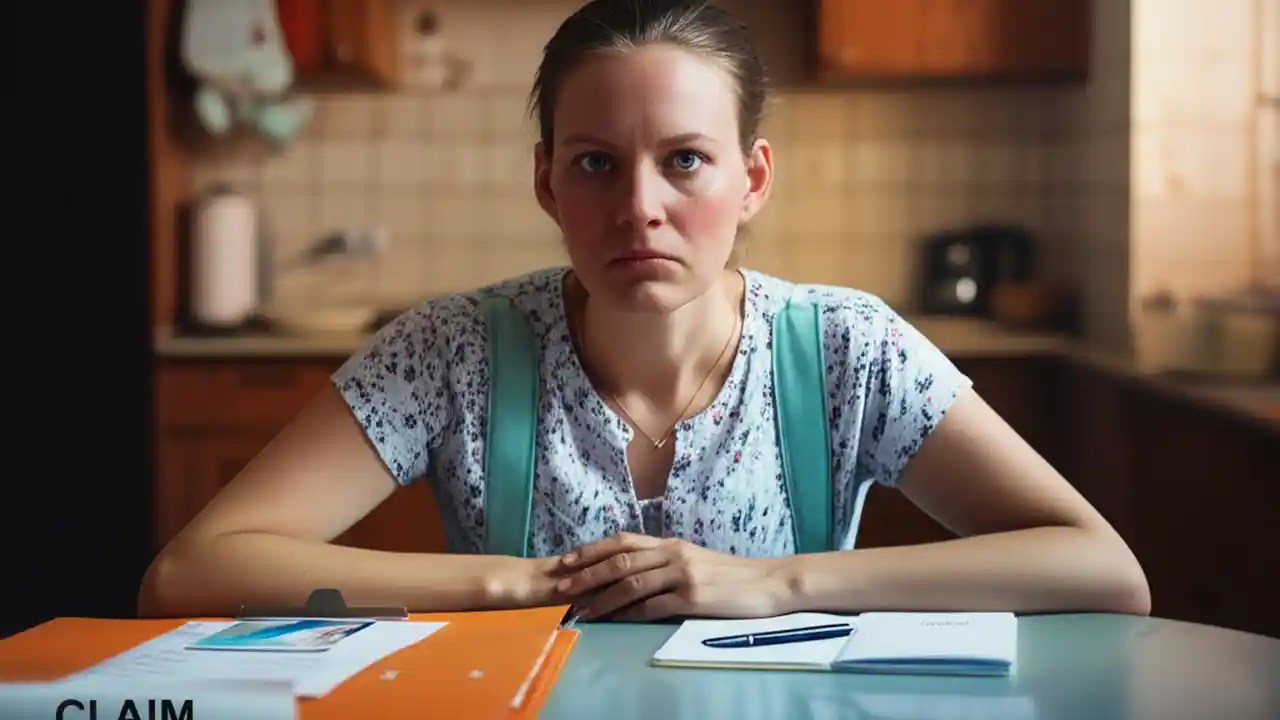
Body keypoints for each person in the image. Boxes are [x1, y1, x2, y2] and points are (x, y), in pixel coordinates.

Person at [138, 0, 1150, 622]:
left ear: (751, 178)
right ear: (545, 182)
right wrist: (518, 587)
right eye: (594, 163)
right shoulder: (445, 353)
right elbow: (189, 574)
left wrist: (771, 584)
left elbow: (1102, 571)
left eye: (684, 160)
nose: (638, 207)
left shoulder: (851, 350)